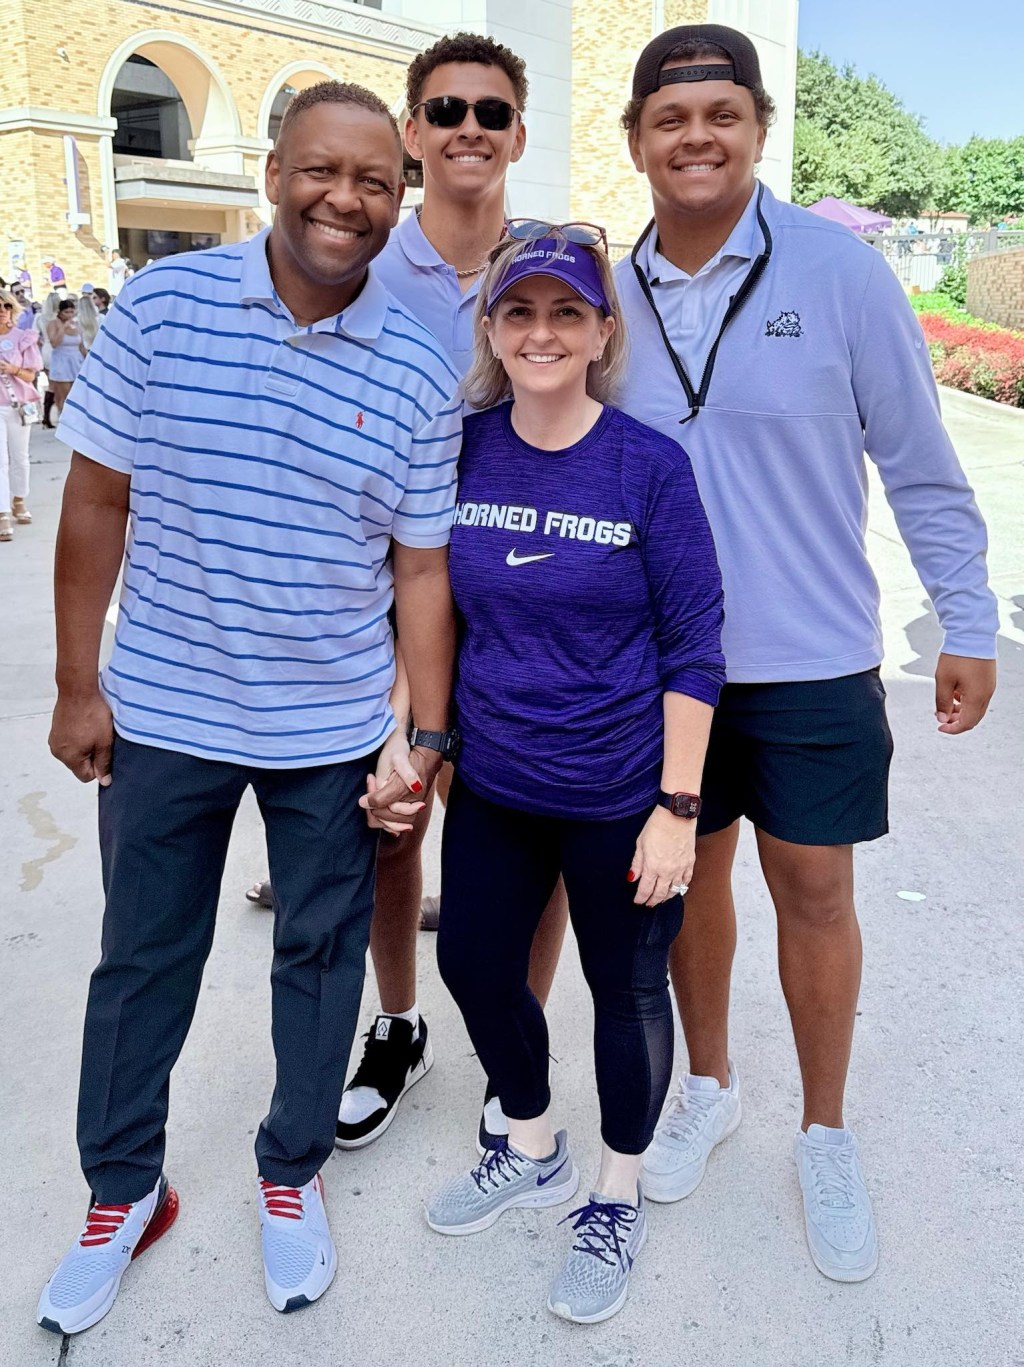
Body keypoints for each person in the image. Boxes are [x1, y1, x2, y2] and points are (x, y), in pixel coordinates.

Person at [36, 81, 461, 1335]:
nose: (347, 198)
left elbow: (421, 571)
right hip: (163, 709)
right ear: (274, 170)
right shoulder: (165, 308)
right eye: (324, 171)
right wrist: (76, 682)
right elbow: (97, 500)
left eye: (376, 182)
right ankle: (124, 1190)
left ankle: (289, 1168)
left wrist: (423, 735)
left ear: (402, 196)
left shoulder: (421, 366)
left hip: (325, 730)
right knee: (141, 959)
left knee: (318, 959)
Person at [614, 24, 998, 1283]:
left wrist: (967, 618)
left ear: (759, 127)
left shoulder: (838, 274)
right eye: (671, 120)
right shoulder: (601, 293)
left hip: (814, 658)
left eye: (721, 114)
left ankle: (823, 1131)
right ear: (636, 140)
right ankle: (709, 1086)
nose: (696, 138)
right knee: (685, 885)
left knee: (816, 893)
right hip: (664, 667)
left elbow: (920, 462)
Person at [248, 33, 570, 1156]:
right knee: (392, 825)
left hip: (531, 601)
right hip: (390, 600)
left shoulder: (557, 264)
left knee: (534, 834)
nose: (469, 128)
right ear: (414, 134)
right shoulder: (361, 263)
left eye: (491, 110)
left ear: (518, 132)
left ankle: (511, 1043)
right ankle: (397, 1022)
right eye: (445, 110)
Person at [421, 229, 725, 1326]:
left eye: (565, 313)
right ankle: (534, 1136)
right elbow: (428, 608)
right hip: (496, 783)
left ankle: (616, 1186)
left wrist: (677, 808)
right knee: (472, 963)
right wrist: (424, 739)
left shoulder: (649, 464)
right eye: (519, 313)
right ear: (493, 331)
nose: (540, 332)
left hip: (619, 792)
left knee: (628, 994)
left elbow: (695, 642)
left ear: (602, 332)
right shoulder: (462, 451)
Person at [0, 287, 42, 540]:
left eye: (6, 306)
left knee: (20, 457)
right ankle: (2, 512)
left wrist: (12, 368)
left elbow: (31, 375)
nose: (2, 311)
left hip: (18, 405)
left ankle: (19, 499)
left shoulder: (22, 337)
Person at [45, 296, 85, 415]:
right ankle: (64, 415)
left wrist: (88, 359)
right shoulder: (53, 324)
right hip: (62, 361)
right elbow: (54, 343)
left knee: (79, 391)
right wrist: (63, 327)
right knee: (66, 393)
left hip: (76, 360)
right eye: (66, 312)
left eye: (72, 312)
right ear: (60, 312)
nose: (69, 314)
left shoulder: (76, 324)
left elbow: (81, 345)